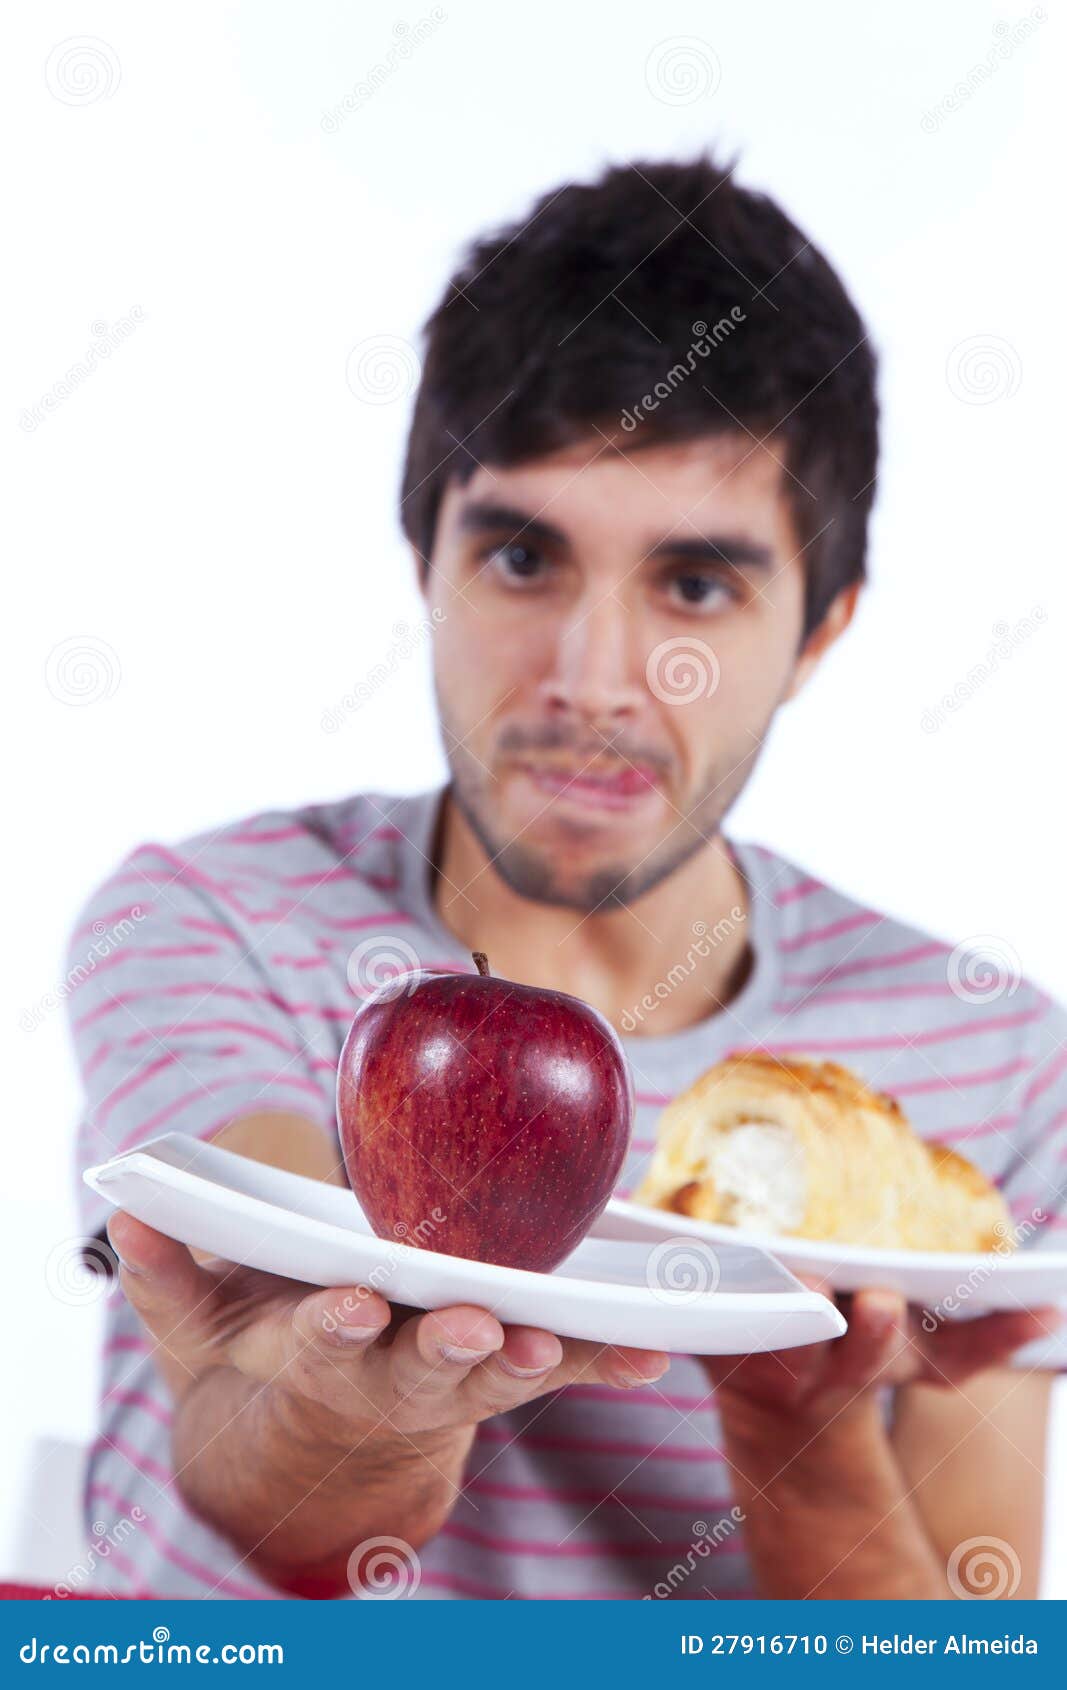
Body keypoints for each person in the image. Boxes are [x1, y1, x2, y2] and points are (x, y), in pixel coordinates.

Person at [68, 157, 1066, 1601]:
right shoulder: (206, 919)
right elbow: (274, 1472)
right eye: (524, 554)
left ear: (823, 629)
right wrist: (360, 1403)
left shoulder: (991, 1070)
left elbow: (949, 1653)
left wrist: (803, 1420)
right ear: (427, 563)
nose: (593, 680)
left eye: (698, 584)